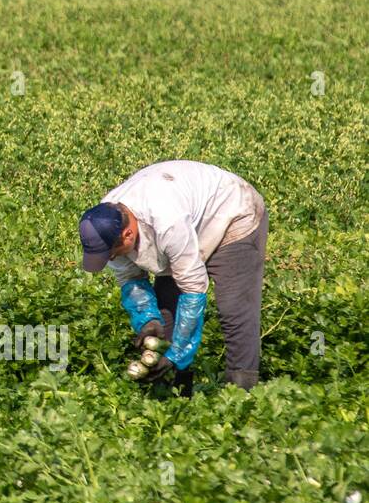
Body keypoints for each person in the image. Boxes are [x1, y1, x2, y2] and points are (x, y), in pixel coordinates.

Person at [79, 160, 268, 393]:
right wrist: (148, 320)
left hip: (232, 214)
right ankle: (176, 392)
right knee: (166, 313)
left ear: (128, 235)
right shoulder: (105, 225)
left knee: (234, 309)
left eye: (112, 254)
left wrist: (177, 353)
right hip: (184, 228)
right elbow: (131, 280)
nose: (109, 259)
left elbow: (193, 291)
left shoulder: (166, 220)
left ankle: (241, 393)